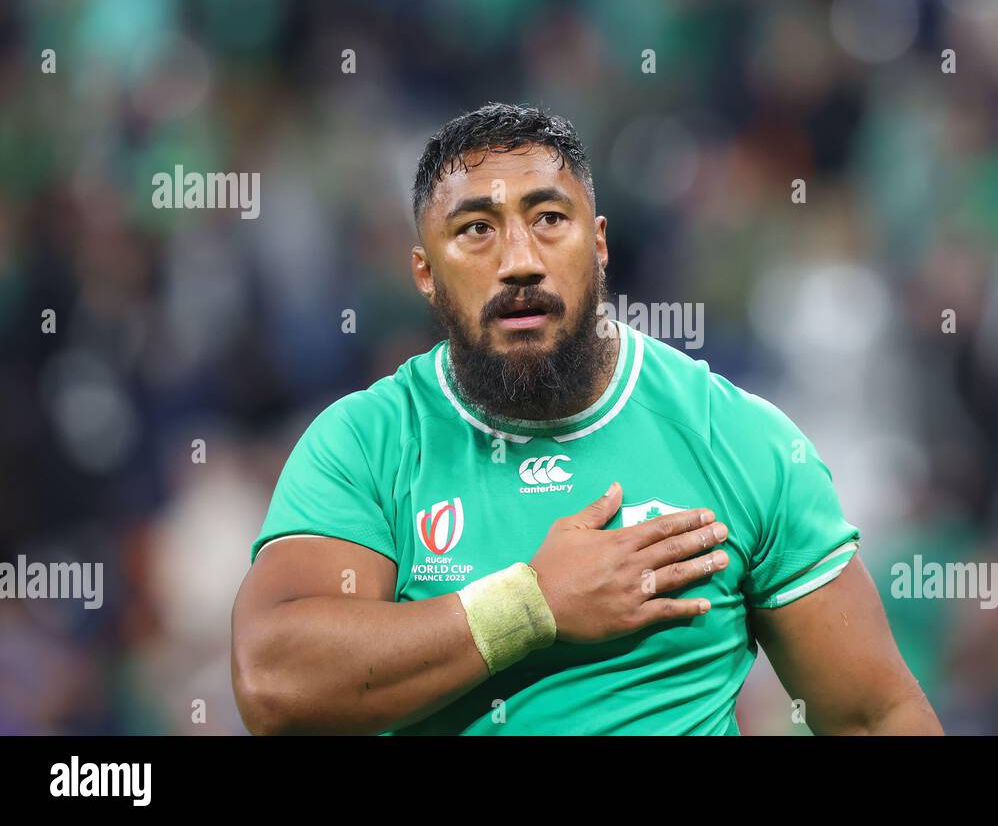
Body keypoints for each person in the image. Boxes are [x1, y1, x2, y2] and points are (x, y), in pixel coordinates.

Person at [231, 102, 942, 736]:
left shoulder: (739, 439)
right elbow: (274, 681)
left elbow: (875, 715)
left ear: (598, 243)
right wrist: (529, 604)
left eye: (548, 219)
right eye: (476, 229)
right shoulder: (366, 443)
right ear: (424, 273)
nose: (519, 261)